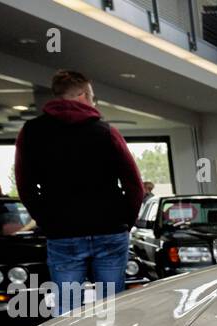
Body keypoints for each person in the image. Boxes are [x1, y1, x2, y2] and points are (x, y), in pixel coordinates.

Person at [15, 69, 144, 311]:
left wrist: (46, 220)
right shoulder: (107, 132)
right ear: (85, 94)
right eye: (93, 96)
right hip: (109, 230)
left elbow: (25, 186)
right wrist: (126, 221)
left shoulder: (30, 133)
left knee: (67, 308)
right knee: (111, 307)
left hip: (63, 233)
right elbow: (134, 184)